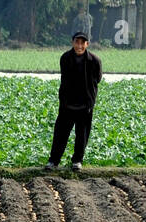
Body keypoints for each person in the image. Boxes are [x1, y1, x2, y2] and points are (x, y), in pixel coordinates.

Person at [47, 31, 102, 171]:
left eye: (82, 43)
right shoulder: (65, 58)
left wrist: (90, 100)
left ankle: (77, 161)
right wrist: (64, 101)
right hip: (67, 103)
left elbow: (97, 79)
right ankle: (53, 161)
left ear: (87, 44)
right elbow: (65, 79)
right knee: (60, 134)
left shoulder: (94, 61)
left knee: (82, 135)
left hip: (85, 104)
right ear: (72, 43)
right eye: (77, 42)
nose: (79, 46)